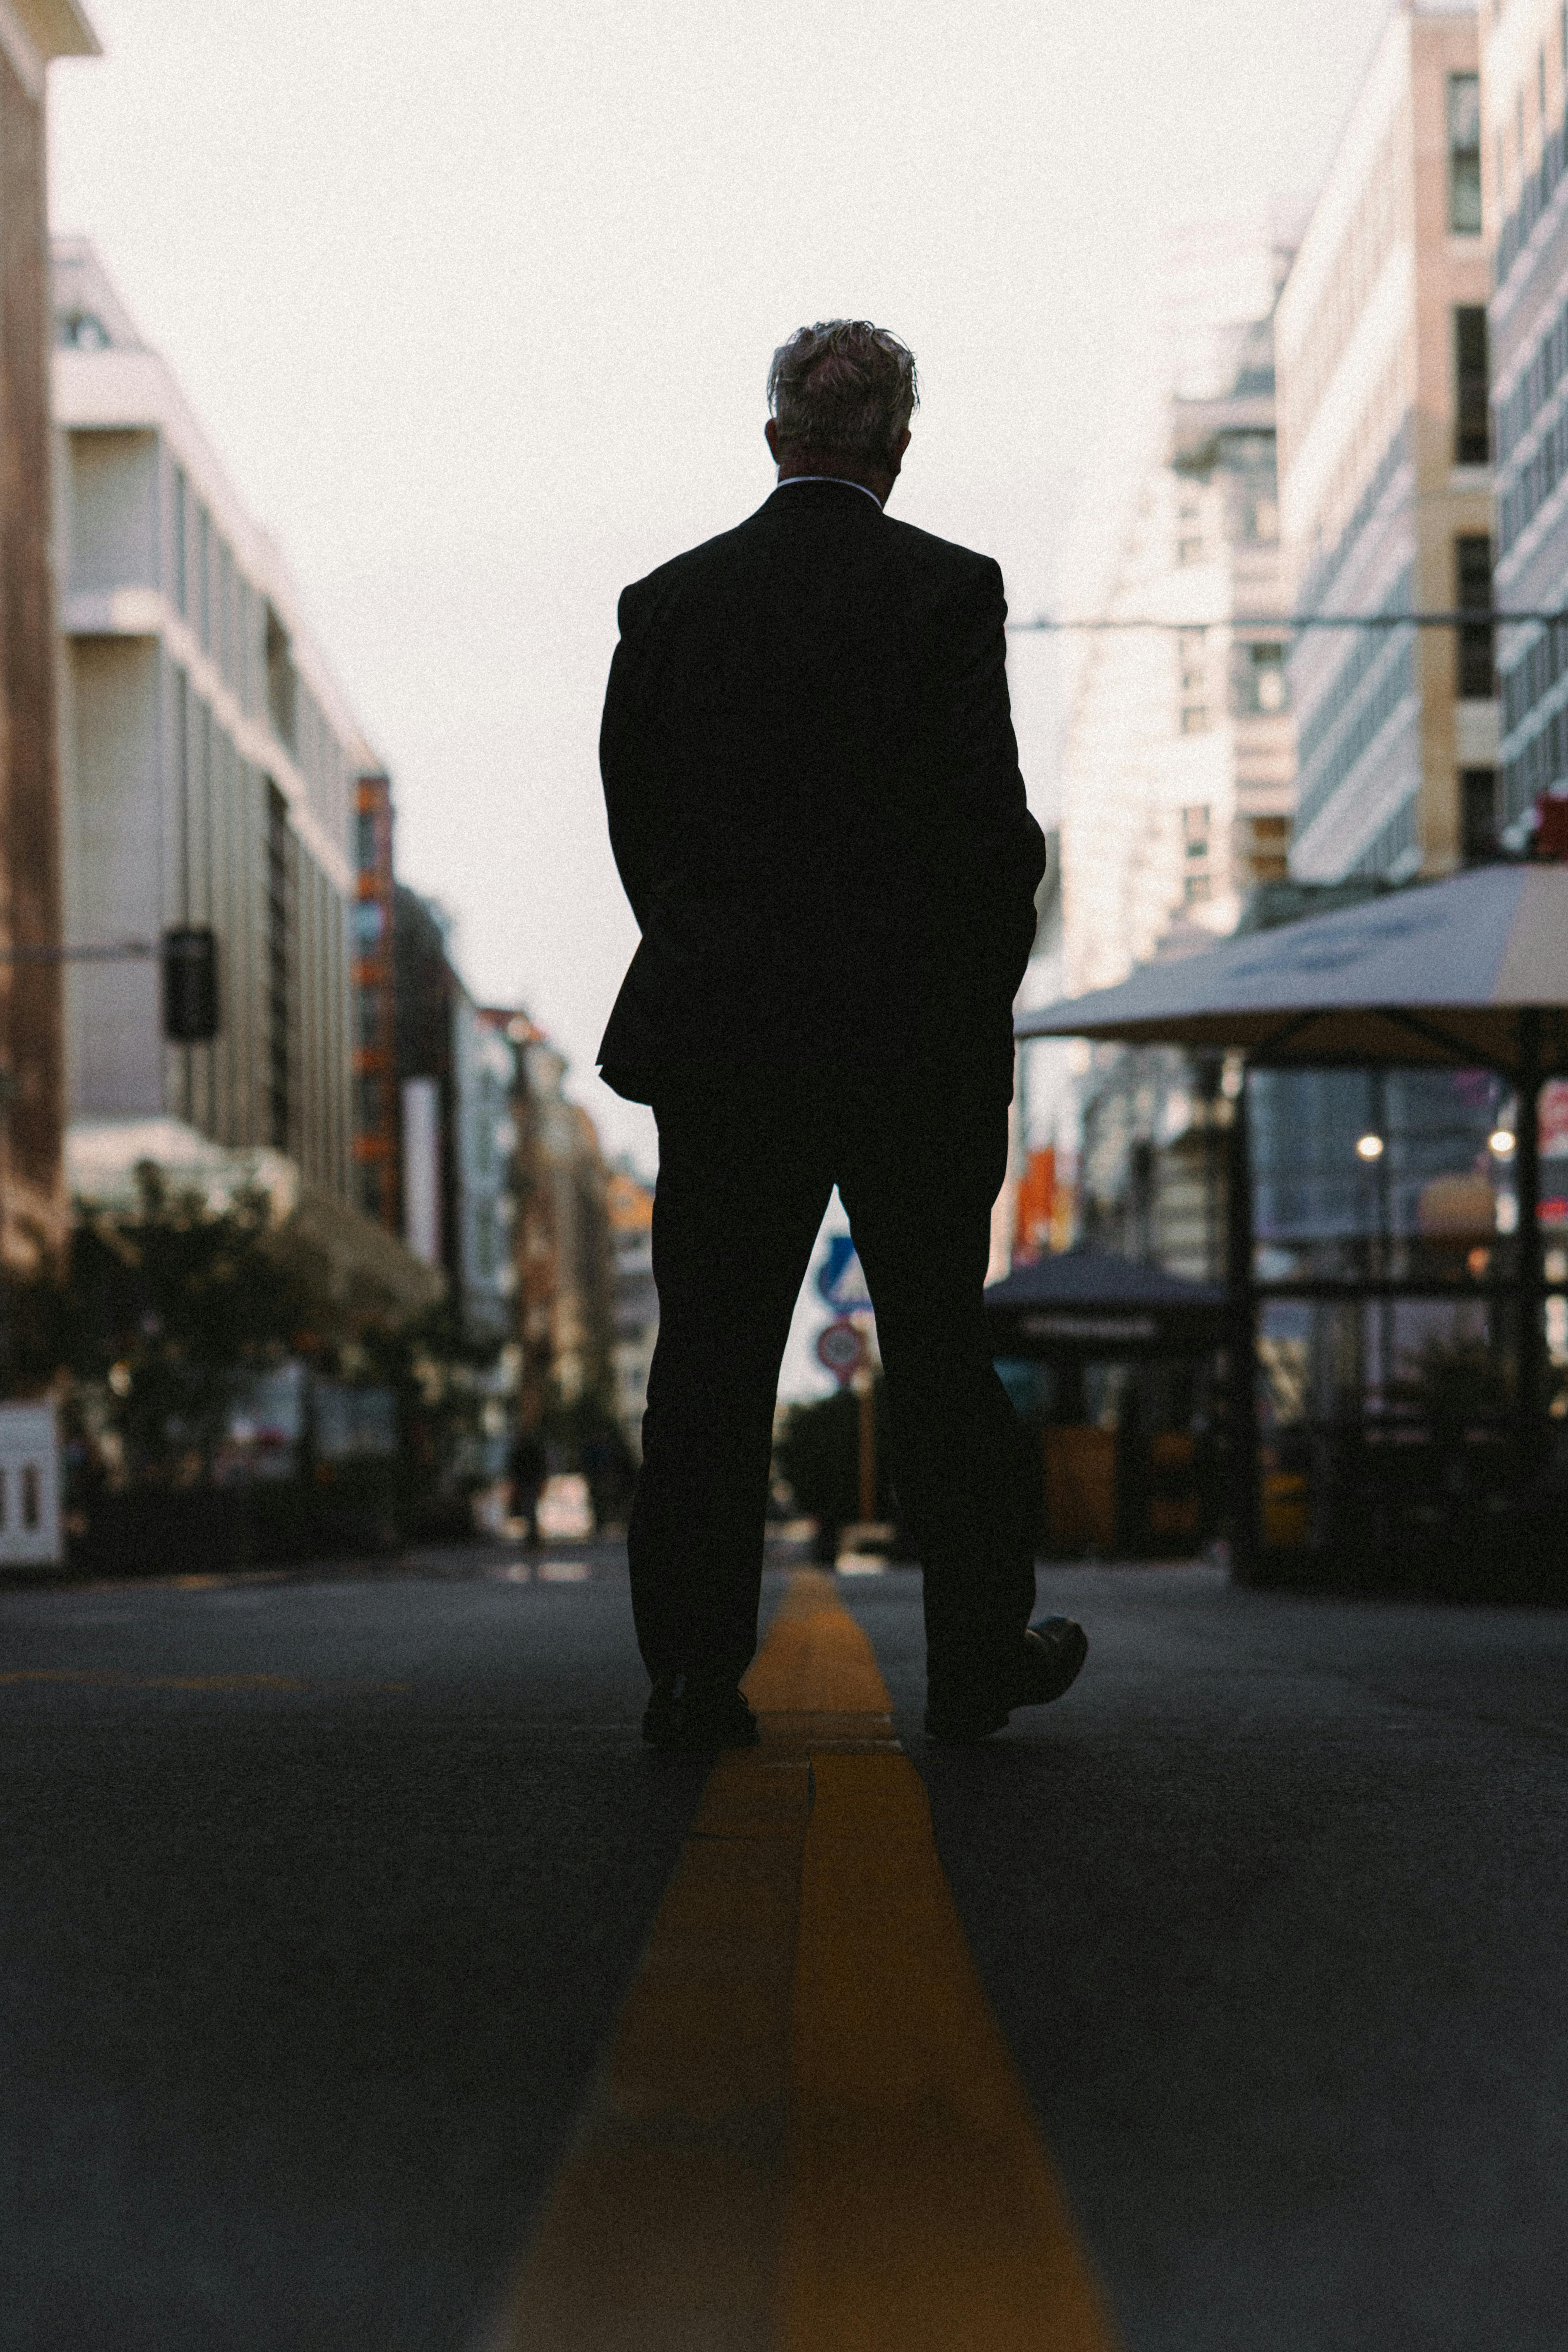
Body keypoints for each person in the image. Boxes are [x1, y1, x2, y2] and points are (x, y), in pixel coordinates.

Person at [598, 320, 1088, 1750]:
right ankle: (979, 1655)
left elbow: (643, 828)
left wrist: (711, 953)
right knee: (939, 1352)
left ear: (773, 441)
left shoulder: (671, 603)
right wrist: (968, 991)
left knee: (707, 1365)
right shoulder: (947, 594)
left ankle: (693, 1675)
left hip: (732, 1041)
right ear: (898, 447)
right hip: (909, 1046)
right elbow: (990, 837)